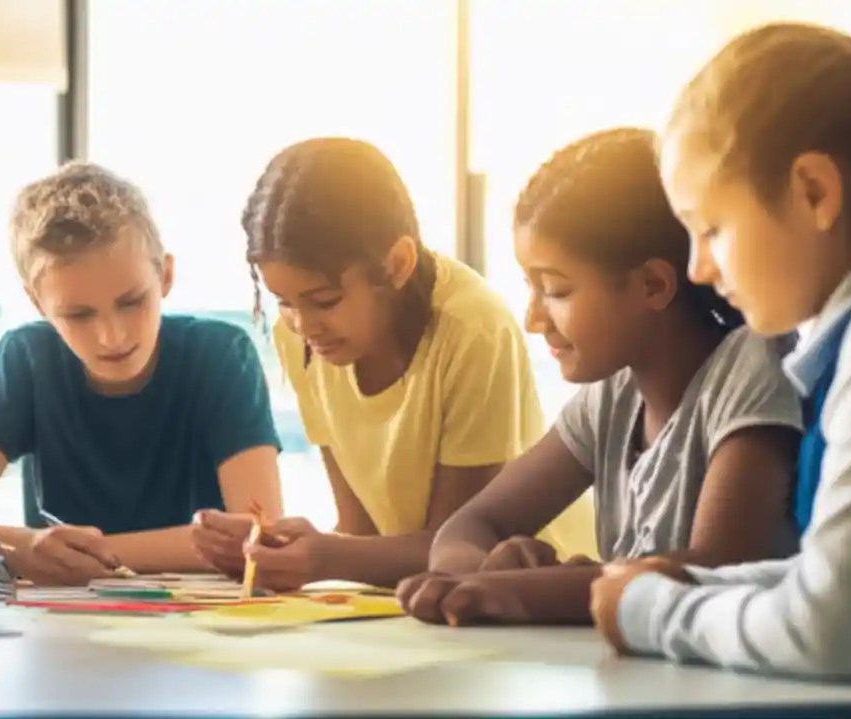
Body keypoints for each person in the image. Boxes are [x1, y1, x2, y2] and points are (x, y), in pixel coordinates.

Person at [590, 18, 851, 693]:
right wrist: (691, 580)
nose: (698, 267)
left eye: (711, 228)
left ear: (814, 193)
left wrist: (655, 613)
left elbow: (834, 632)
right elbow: (845, 571)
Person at [397, 127, 802, 626]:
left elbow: (715, 569)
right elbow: (468, 526)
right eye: (531, 287)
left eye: (557, 290)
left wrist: (515, 591)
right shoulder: (611, 397)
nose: (533, 319)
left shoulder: (751, 367)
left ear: (653, 284)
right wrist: (481, 572)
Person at [193, 137, 589, 591]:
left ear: (398, 263)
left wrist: (326, 554)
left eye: (325, 301)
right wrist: (278, 546)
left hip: (530, 588)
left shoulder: (472, 329)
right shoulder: (301, 337)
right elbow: (362, 534)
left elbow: (459, 546)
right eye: (285, 302)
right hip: (415, 596)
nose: (304, 324)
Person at [0, 161, 282, 584]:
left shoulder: (222, 355)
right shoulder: (25, 358)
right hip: (61, 623)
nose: (112, 336)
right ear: (38, 304)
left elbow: (261, 537)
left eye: (132, 301)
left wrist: (68, 551)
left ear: (165, 275)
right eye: (78, 314)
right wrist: (30, 547)